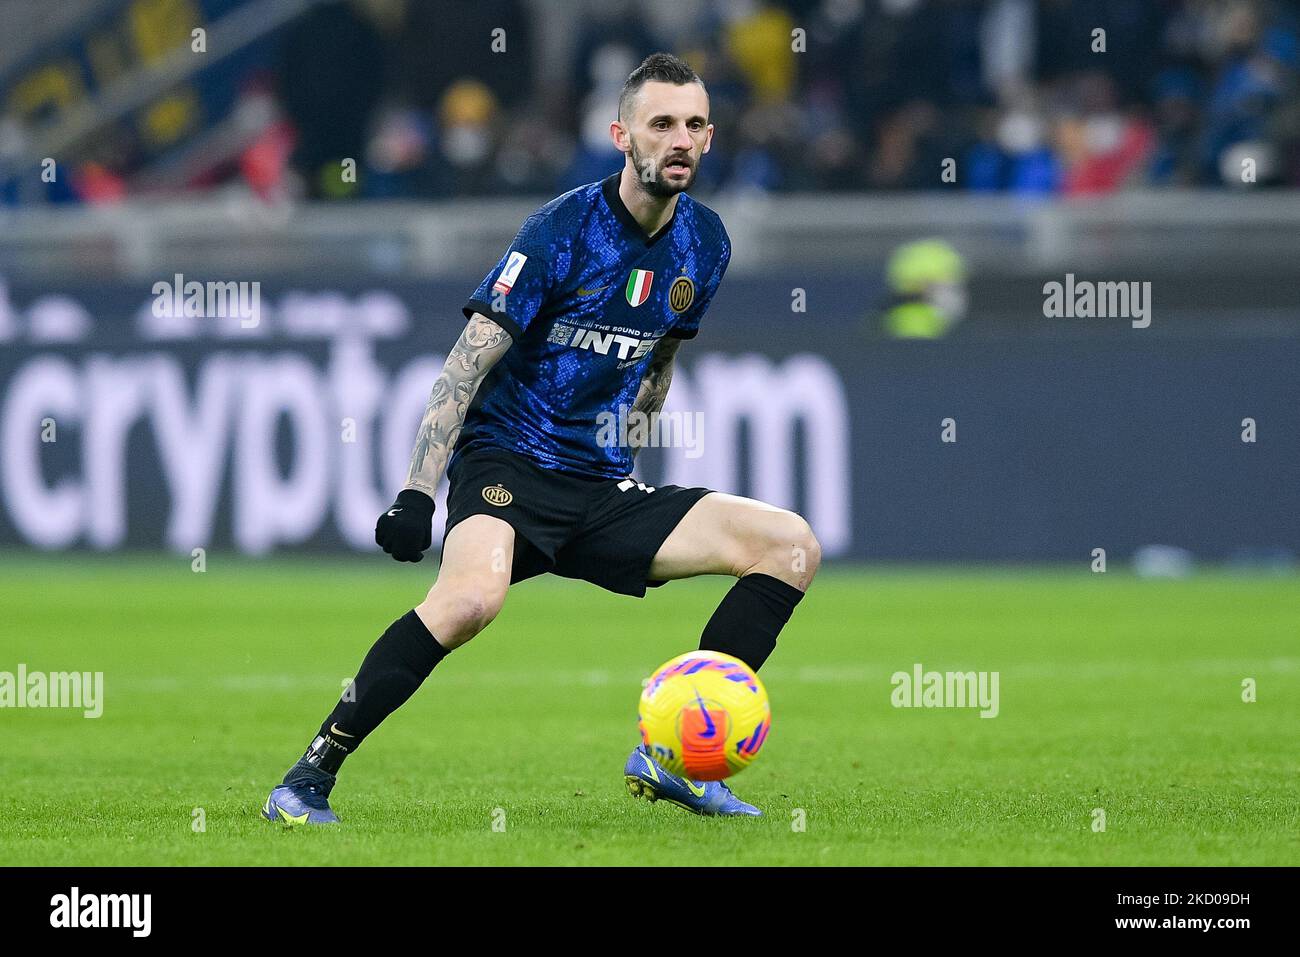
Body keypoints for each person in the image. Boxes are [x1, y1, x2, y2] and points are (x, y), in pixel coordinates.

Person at [262, 53, 820, 825]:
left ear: (711, 137)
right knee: (468, 600)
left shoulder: (707, 244)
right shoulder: (563, 229)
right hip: (509, 467)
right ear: (622, 135)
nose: (680, 140)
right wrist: (416, 493)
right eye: (661, 124)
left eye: (694, 125)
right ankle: (309, 774)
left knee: (789, 545)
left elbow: (660, 358)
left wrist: (626, 456)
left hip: (599, 485)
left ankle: (679, 761)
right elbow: (465, 365)